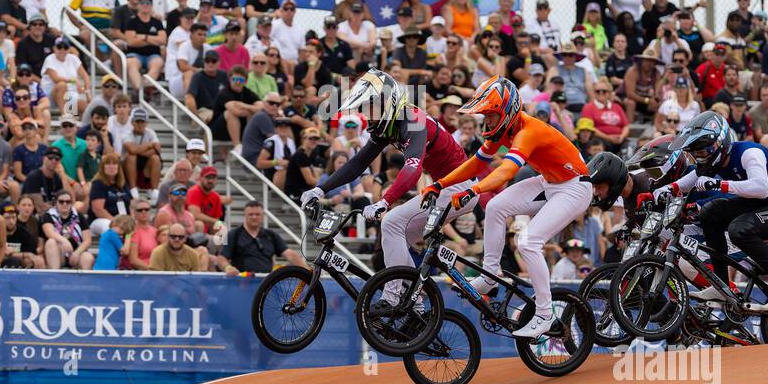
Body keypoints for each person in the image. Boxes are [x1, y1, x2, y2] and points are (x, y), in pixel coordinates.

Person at [421, 75, 593, 338]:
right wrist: (440, 184)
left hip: (574, 187)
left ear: (507, 111)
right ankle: (490, 276)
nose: (486, 121)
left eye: (490, 115)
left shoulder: (528, 131)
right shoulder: (506, 129)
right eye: (485, 115)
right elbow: (476, 164)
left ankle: (545, 314)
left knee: (527, 243)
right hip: (550, 181)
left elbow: (506, 171)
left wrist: (474, 189)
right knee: (496, 207)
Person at [301, 69, 474, 271]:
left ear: (387, 103)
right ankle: (412, 295)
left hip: (459, 187)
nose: (366, 115)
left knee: (390, 223)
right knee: (397, 238)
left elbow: (413, 167)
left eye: (370, 107)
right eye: (364, 108)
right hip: (446, 186)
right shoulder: (389, 124)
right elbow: (357, 163)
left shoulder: (413, 119)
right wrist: (320, 189)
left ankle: (395, 296)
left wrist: (385, 201)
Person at [656, 111, 768, 312]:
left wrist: (721, 185)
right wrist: (666, 190)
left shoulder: (749, 153)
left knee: (739, 229)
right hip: (763, 204)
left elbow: (762, 188)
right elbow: (690, 180)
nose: (700, 158)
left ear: (719, 145)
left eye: (703, 152)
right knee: (710, 213)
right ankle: (721, 285)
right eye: (696, 153)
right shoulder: (713, 160)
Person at [222, 200, 304, 275]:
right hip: (242, 281)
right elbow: (222, 257)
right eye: (251, 214)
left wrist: (307, 271)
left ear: (263, 216)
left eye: (257, 214)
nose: (254, 217)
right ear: (245, 215)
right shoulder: (234, 234)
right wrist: (228, 267)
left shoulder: (271, 235)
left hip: (266, 283)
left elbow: (289, 254)